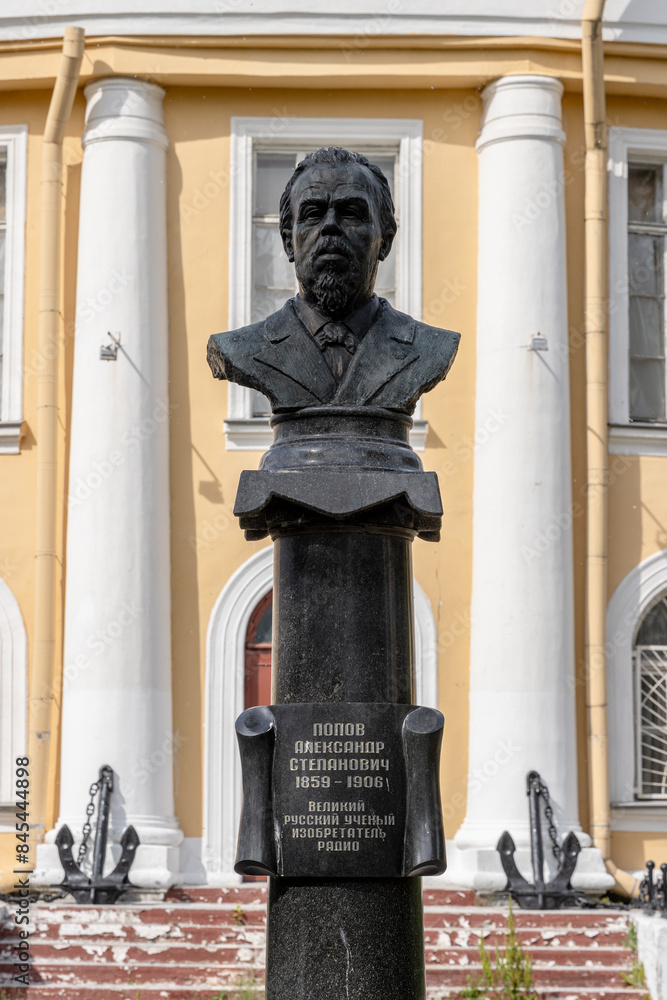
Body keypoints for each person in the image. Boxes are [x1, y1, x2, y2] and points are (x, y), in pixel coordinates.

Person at [207, 146, 460, 415]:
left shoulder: (431, 346)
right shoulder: (243, 347)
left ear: (385, 241)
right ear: (288, 242)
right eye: (313, 213)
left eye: (351, 212)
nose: (330, 225)